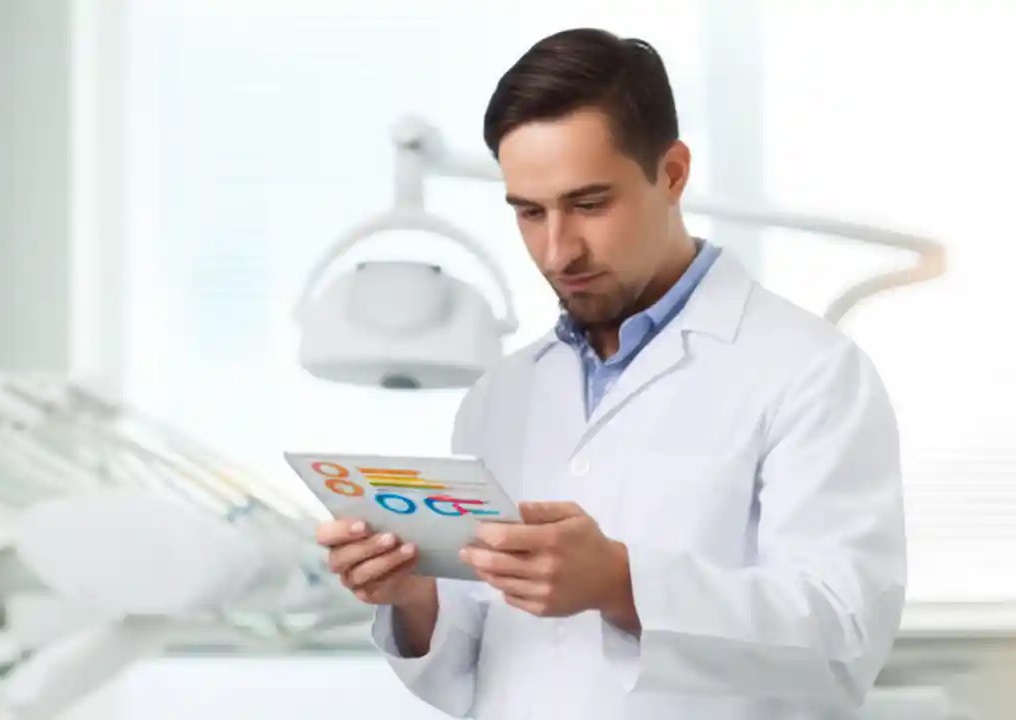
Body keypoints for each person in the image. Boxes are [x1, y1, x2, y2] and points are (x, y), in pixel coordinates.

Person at [316, 27, 905, 720]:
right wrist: (412, 595)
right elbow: (474, 669)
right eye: (530, 213)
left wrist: (624, 583)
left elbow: (842, 641)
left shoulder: (809, 372)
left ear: (673, 174)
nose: (559, 250)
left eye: (589, 204)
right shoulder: (500, 395)